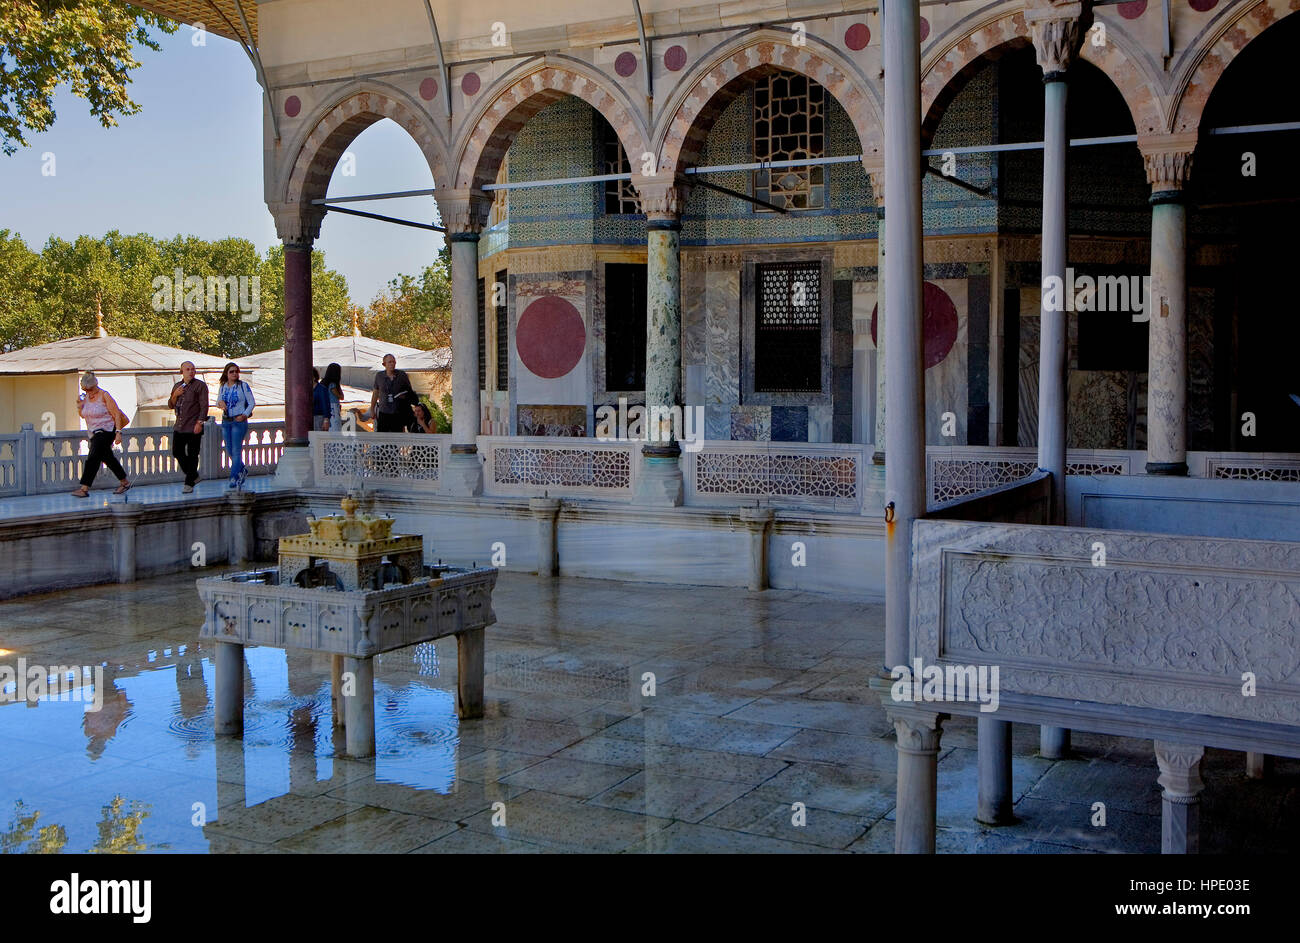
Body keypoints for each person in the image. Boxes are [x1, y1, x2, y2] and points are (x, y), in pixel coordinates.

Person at [70, 372, 131, 497]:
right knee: (107, 458)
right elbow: (83, 415)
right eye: (86, 390)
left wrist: (118, 433)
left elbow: (117, 414)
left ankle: (84, 488)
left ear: (95, 385)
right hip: (93, 433)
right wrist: (79, 407)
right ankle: (124, 482)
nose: (89, 392)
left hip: (106, 431)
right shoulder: (85, 397)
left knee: (93, 457)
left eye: (90, 389)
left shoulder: (104, 395)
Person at [168, 361, 209, 494]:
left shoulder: (200, 386)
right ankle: (194, 476)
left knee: (192, 455)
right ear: (182, 372)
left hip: (193, 425)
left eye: (193, 369)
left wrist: (200, 422)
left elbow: (204, 406)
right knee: (177, 452)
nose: (191, 372)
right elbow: (170, 404)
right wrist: (175, 394)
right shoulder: (178, 386)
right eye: (187, 369)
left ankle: (189, 482)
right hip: (180, 425)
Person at [217, 362, 255, 489]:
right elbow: (218, 401)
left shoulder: (243, 386)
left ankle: (234, 477)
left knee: (236, 449)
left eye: (236, 371)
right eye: (231, 372)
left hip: (238, 420)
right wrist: (220, 403)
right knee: (229, 449)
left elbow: (251, 402)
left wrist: (244, 415)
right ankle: (242, 469)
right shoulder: (223, 386)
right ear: (226, 374)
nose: (234, 374)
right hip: (226, 420)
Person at [370, 354, 415, 432]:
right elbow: (375, 393)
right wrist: (372, 409)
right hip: (384, 412)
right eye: (389, 362)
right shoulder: (379, 376)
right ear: (384, 364)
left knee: (397, 437)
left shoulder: (402, 375)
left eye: (393, 362)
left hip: (398, 413)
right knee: (383, 437)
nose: (392, 364)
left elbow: (409, 391)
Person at [322, 362, 344, 431]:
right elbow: (341, 396)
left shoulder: (323, 383)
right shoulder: (333, 385)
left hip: (326, 406)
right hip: (333, 407)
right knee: (335, 426)